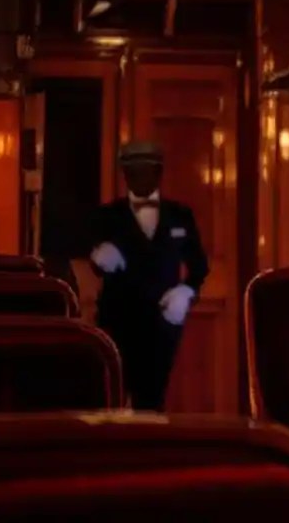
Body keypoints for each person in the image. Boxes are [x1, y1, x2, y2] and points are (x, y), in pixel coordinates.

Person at [89, 141, 208, 411]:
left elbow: (199, 267)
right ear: (124, 175)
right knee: (114, 398)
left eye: (144, 171)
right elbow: (92, 261)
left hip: (163, 320)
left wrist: (187, 292)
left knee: (153, 398)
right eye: (131, 172)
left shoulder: (180, 215)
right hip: (118, 320)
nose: (138, 178)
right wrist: (97, 256)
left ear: (158, 173)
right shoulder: (107, 216)